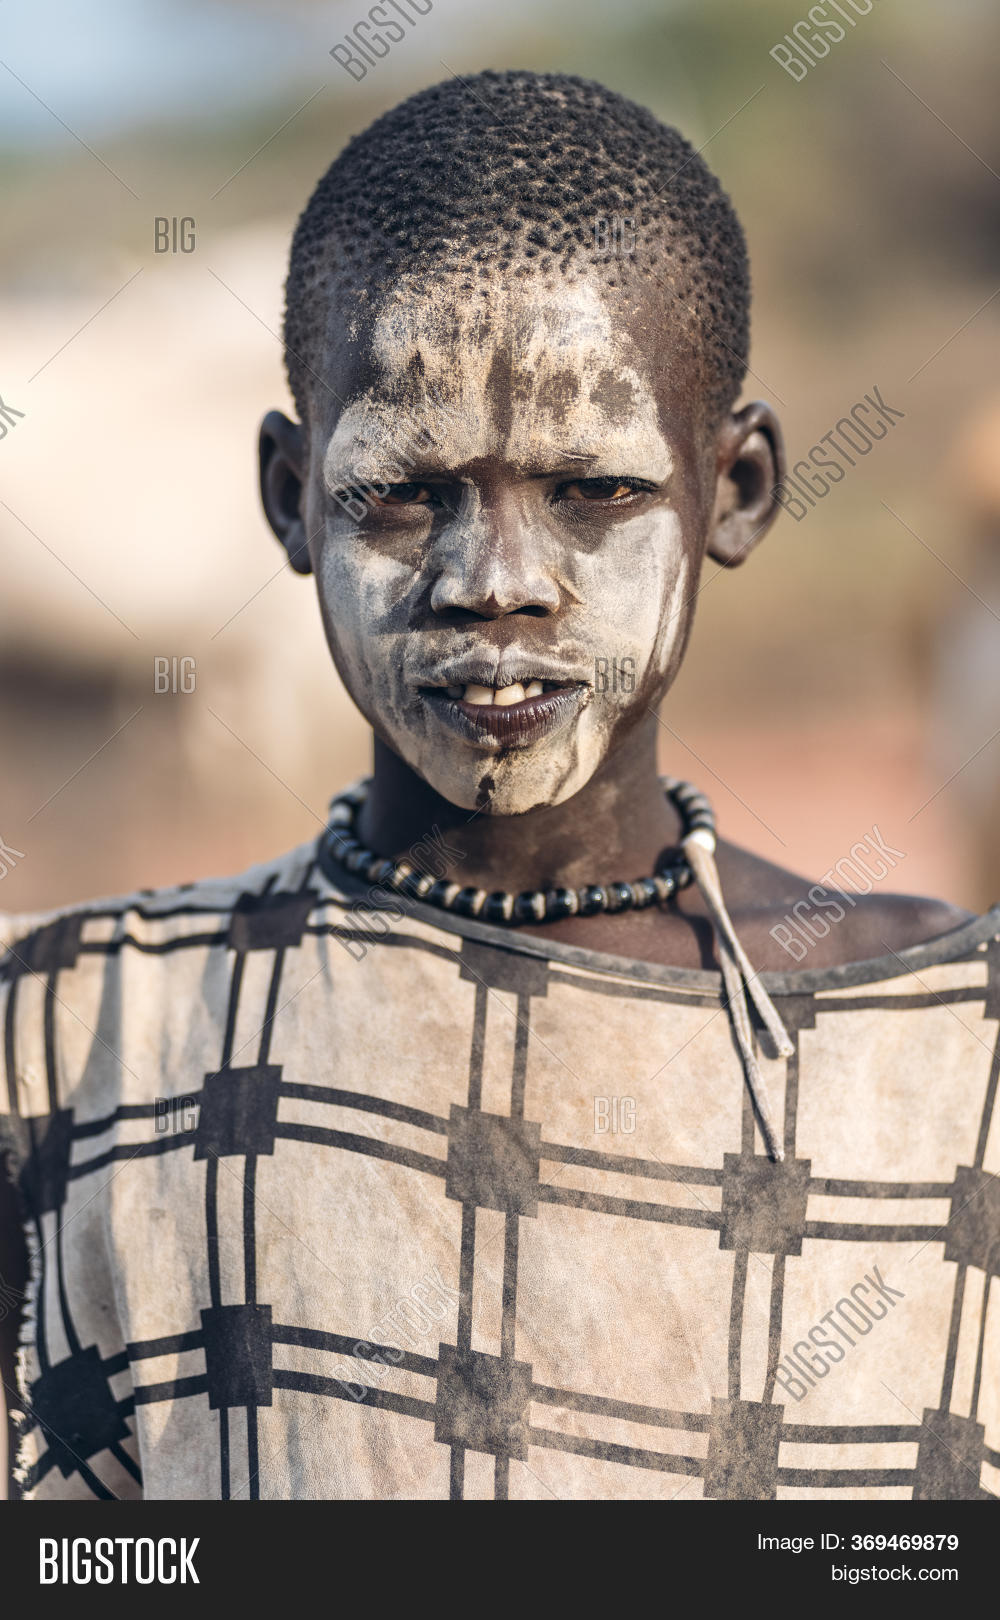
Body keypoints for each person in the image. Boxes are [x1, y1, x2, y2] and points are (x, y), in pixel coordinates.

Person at [1, 71, 996, 1502]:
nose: (496, 586)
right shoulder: (75, 1040)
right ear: (291, 499)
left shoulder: (948, 1042)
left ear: (739, 492)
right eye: (404, 493)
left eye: (590, 491)